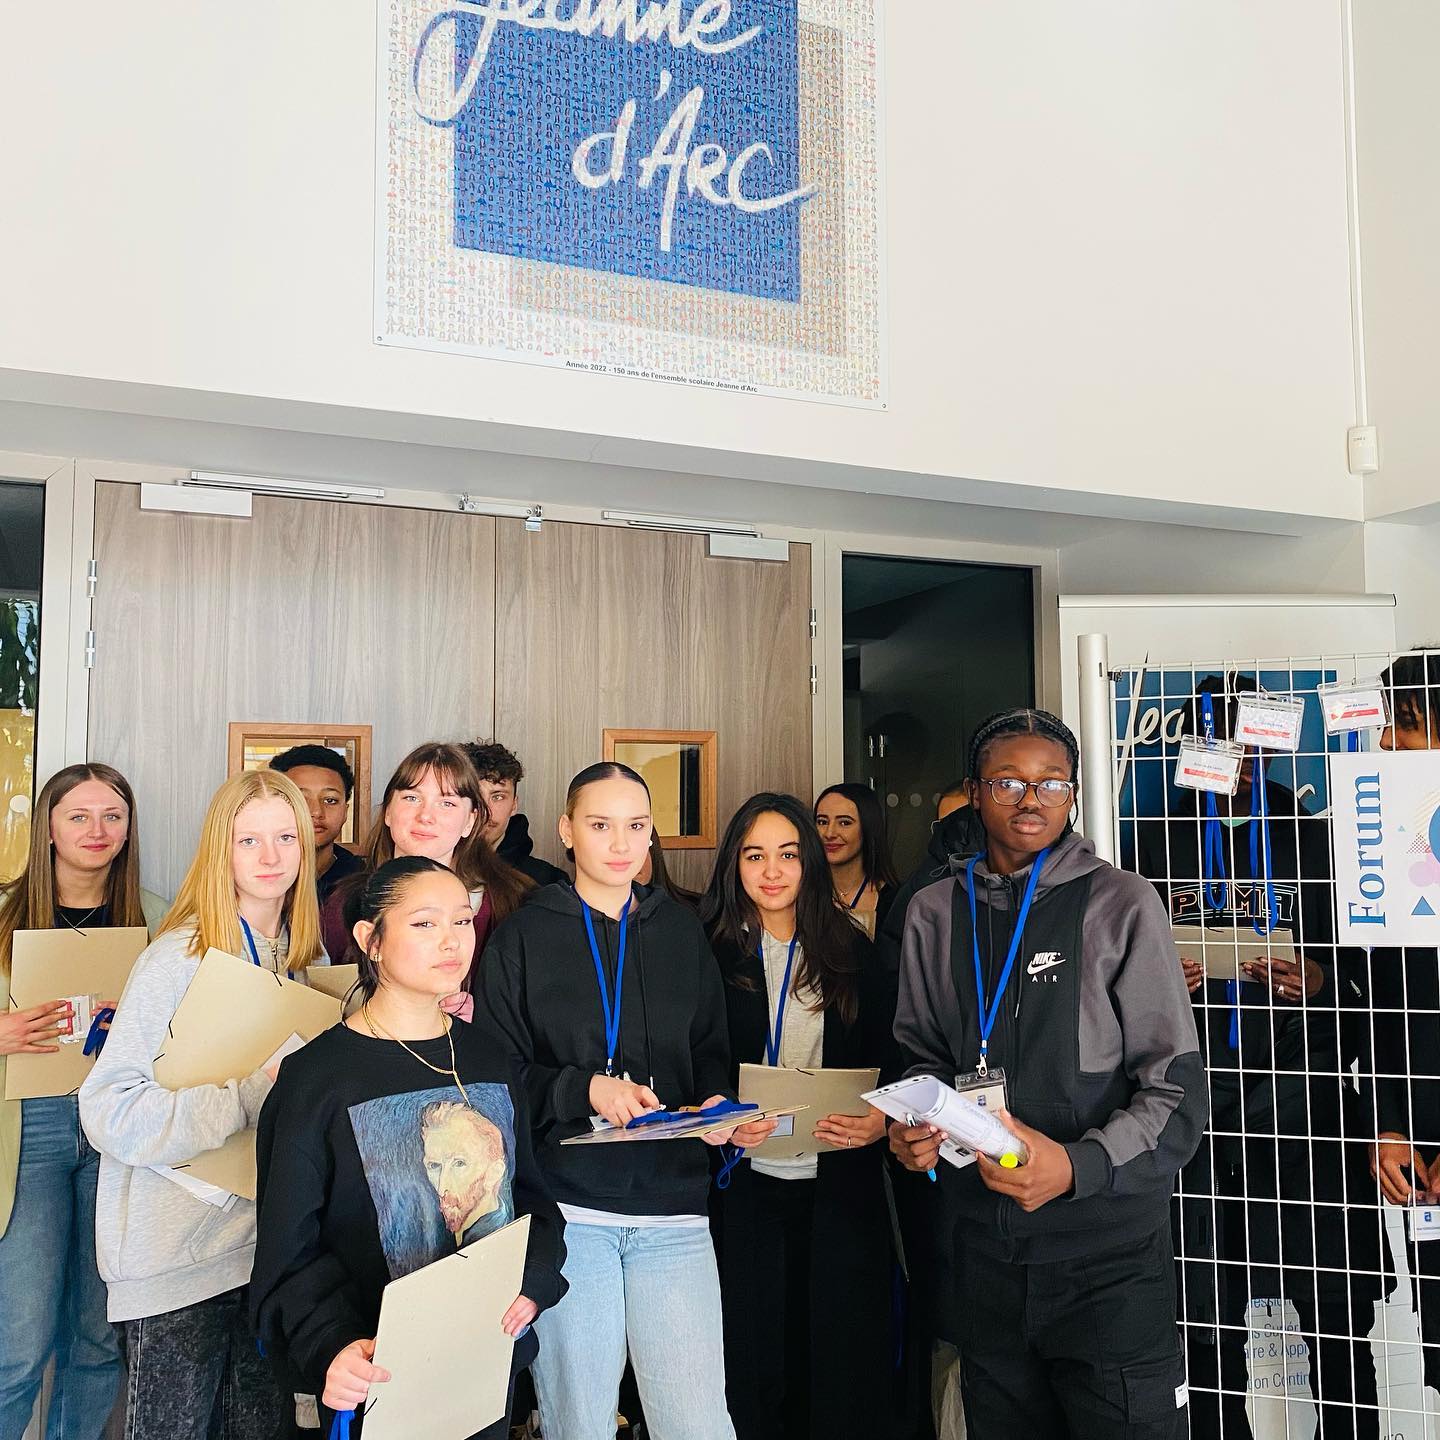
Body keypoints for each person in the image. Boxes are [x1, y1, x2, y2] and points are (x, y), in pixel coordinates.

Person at [890, 707, 1206, 1440]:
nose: (1031, 799)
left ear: (1073, 794)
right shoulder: (934, 911)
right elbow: (922, 1059)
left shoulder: (1122, 902)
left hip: (1108, 1259)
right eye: (1008, 782)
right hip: (984, 1257)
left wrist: (1074, 1166)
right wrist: (915, 1128)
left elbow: (1176, 1092)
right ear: (975, 793)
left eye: (1052, 783)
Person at [480, 762, 775, 1440]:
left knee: (697, 1422)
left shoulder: (681, 930)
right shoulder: (524, 934)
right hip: (569, 1212)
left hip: (674, 1213)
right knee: (579, 1422)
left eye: (636, 826)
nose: (621, 843)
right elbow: (497, 1075)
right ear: (567, 831)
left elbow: (707, 1048)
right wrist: (582, 1087)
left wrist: (717, 1110)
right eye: (600, 825)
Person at [1137, 675, 1387, 1439]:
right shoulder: (1152, 842)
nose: (1238, 757)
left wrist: (1318, 980)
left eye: (1251, 740)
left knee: (1338, 1322)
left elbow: (1374, 982)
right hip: (1195, 1113)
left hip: (1303, 1106)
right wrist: (1160, 983)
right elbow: (1113, 990)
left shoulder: (1313, 837)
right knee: (1205, 1327)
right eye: (1221, 740)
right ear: (1192, 746)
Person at [251, 857, 567, 1439]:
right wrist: (331, 1345)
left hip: (485, 1364)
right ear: (370, 939)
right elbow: (287, 1249)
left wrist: (535, 1278)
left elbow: (531, 1201)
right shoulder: (315, 1079)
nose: (452, 941)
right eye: (424, 924)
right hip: (376, 1377)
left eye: (462, 921)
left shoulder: (490, 1059)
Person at [78, 768, 325, 1439]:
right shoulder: (177, 958)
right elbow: (108, 1111)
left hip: (262, 1255)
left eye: (285, 838)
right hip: (175, 1265)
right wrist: (247, 1095)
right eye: (249, 841)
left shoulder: (302, 960)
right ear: (221, 851)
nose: (270, 857)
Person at [700, 792, 900, 1440]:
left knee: (836, 1359)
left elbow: (893, 1059)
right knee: (753, 1357)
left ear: (810, 861)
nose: (772, 871)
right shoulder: (710, 952)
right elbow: (694, 1058)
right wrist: (718, 1107)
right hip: (743, 1183)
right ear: (733, 864)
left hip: (837, 1182)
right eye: (754, 855)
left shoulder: (853, 952)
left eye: (788, 854)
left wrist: (883, 1120)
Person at [0, 764, 166, 1440]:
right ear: (47, 827)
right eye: (78, 815)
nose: (97, 831)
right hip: (27, 1132)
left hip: (119, 1132)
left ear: (128, 829)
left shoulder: (160, 918)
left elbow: (194, 1031)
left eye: (112, 816)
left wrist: (145, 1026)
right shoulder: (3, 913)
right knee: (20, 1341)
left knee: (98, 1340)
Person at [320, 744, 531, 1003]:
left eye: (447, 803)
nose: (426, 816)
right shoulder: (342, 902)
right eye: (412, 798)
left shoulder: (511, 902)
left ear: (470, 820)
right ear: (388, 811)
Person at [1370, 649, 1440, 1401]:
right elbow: (1386, 1008)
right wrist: (1391, 1125)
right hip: (1422, 1158)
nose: (1387, 740)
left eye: (1408, 724)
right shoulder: (1395, 844)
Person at [463, 740, 568, 888]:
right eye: (475, 796)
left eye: (498, 797)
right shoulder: (432, 872)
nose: (485, 811)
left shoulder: (548, 882)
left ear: (514, 805)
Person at [269, 744, 365, 904]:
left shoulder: (363, 882)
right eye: (301, 799)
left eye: (330, 800)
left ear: (345, 812)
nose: (316, 812)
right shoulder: (252, 874)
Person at [813, 783, 899, 940]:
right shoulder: (800, 893)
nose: (829, 833)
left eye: (844, 823)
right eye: (822, 822)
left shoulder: (895, 900)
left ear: (868, 828)